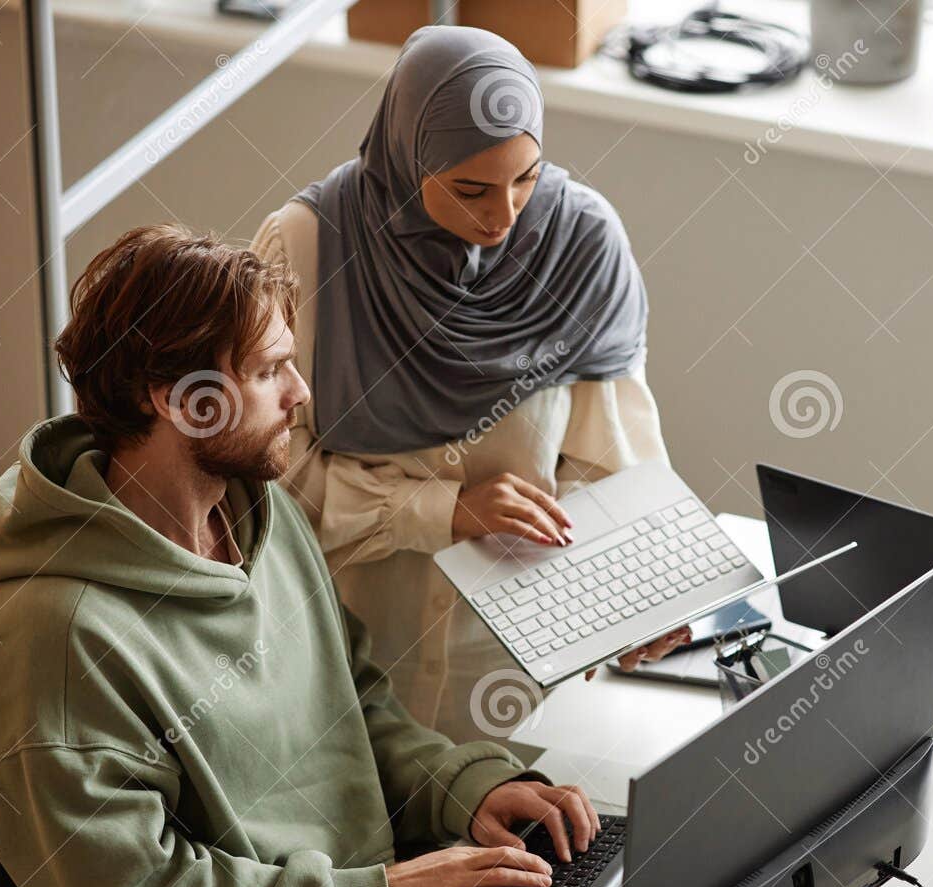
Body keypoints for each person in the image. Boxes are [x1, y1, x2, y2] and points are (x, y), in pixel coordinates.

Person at [0, 224, 600, 887]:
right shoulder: (58, 636)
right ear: (176, 398)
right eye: (270, 371)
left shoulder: (263, 521)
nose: (301, 393)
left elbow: (358, 705)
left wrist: (464, 787)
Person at [254, 26, 687, 744]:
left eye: (526, 178)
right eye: (471, 189)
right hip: (343, 669)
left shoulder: (582, 247)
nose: (505, 215)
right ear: (408, 155)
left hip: (518, 677)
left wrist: (640, 599)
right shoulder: (307, 247)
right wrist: (440, 511)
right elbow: (263, 484)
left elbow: (613, 468)